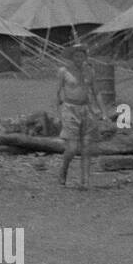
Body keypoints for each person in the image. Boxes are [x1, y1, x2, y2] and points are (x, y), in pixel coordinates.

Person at [56, 43, 106, 190]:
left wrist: (103, 112)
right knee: (72, 148)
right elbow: (57, 93)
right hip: (69, 110)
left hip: (86, 110)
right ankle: (64, 169)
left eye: (81, 56)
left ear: (85, 57)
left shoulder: (89, 71)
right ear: (72, 57)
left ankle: (85, 181)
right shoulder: (64, 71)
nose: (79, 59)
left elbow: (96, 92)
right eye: (76, 56)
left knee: (86, 147)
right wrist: (58, 113)